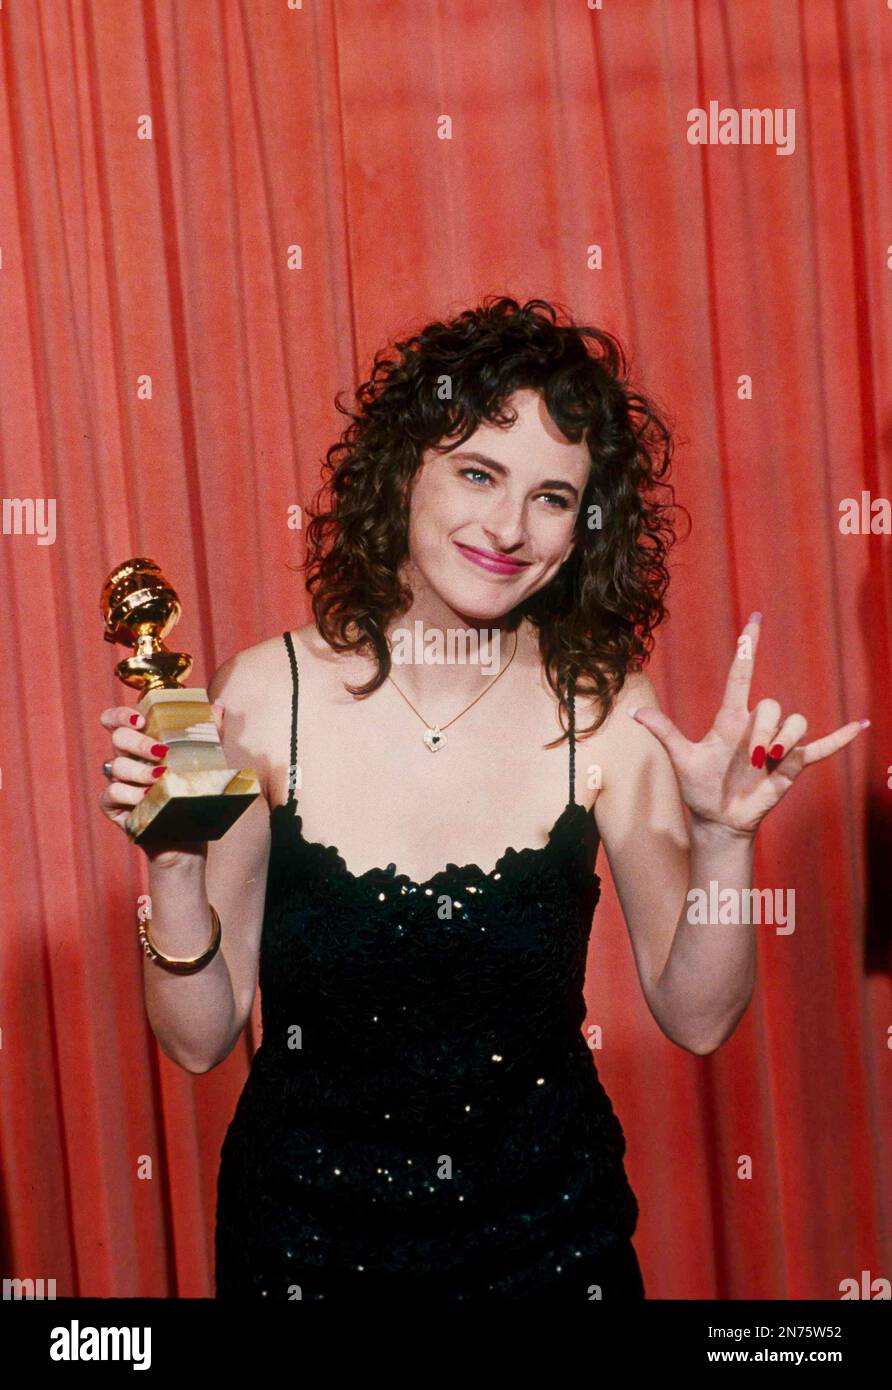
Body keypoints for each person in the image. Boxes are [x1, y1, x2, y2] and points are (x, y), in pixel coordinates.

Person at [98, 296, 868, 1301]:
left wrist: (723, 842)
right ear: (403, 470)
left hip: (551, 1246)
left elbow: (698, 1017)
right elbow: (199, 1038)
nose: (507, 526)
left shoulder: (605, 709)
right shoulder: (259, 697)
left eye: (552, 497)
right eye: (477, 473)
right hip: (303, 1251)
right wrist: (171, 862)